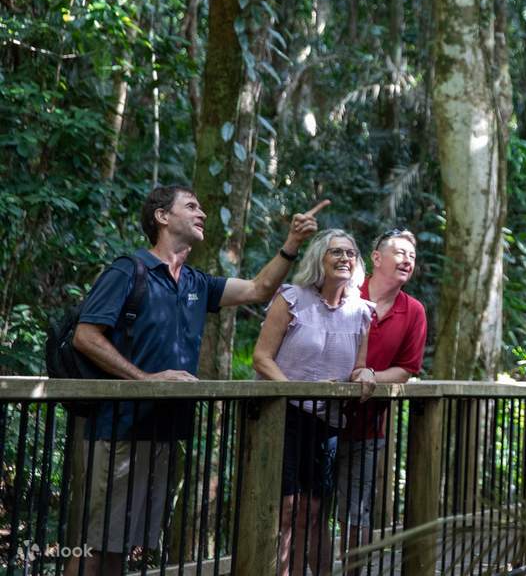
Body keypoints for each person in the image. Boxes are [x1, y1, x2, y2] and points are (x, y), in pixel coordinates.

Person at [65, 184, 327, 576]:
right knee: (96, 545)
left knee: (123, 545)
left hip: (165, 430)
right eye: (191, 205)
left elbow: (259, 289)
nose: (201, 212)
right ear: (162, 217)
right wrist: (145, 379)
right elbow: (85, 336)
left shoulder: (195, 282)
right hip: (117, 427)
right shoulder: (128, 270)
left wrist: (291, 243)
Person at [253, 229, 377, 576]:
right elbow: (262, 358)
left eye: (351, 253)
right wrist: (296, 390)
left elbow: (357, 367)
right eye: (335, 252)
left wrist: (365, 374)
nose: (344, 258)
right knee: (286, 507)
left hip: (328, 421)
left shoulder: (362, 312)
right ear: (319, 259)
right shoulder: (291, 298)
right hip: (284, 415)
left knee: (312, 509)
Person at [336, 229, 427, 571]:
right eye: (401, 253)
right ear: (376, 258)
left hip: (368, 426)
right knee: (306, 508)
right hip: (317, 417)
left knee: (356, 513)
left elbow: (406, 369)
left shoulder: (413, 311)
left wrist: (371, 375)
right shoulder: (345, 291)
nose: (408, 261)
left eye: (413, 257)